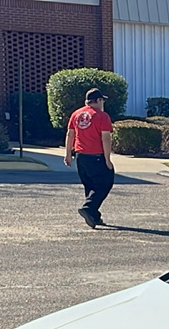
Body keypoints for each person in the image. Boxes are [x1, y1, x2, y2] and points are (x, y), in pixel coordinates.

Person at [64, 88, 115, 228]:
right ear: (98, 100)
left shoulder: (76, 114)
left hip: (80, 156)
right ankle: (88, 208)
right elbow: (105, 139)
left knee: (90, 186)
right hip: (96, 156)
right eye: (102, 100)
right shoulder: (102, 116)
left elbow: (70, 135)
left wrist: (68, 154)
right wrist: (107, 159)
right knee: (105, 183)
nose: (102, 103)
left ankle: (94, 216)